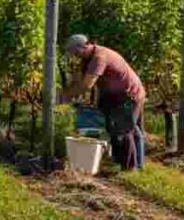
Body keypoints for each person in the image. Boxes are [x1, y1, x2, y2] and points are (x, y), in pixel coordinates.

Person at [62, 34, 146, 170]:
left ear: (84, 46)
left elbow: (87, 85)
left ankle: (130, 168)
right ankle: (130, 163)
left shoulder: (99, 57)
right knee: (125, 129)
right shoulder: (87, 58)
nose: (75, 55)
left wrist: (66, 96)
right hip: (114, 95)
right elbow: (79, 80)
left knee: (123, 130)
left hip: (128, 95)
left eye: (75, 52)